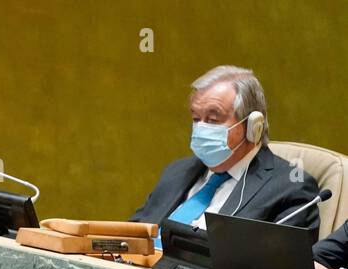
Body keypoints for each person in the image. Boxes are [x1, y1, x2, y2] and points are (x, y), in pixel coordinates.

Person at [130, 65, 320, 246]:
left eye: (213, 119)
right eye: (196, 119)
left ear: (253, 126)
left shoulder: (291, 188)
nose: (201, 128)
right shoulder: (178, 171)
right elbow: (130, 235)